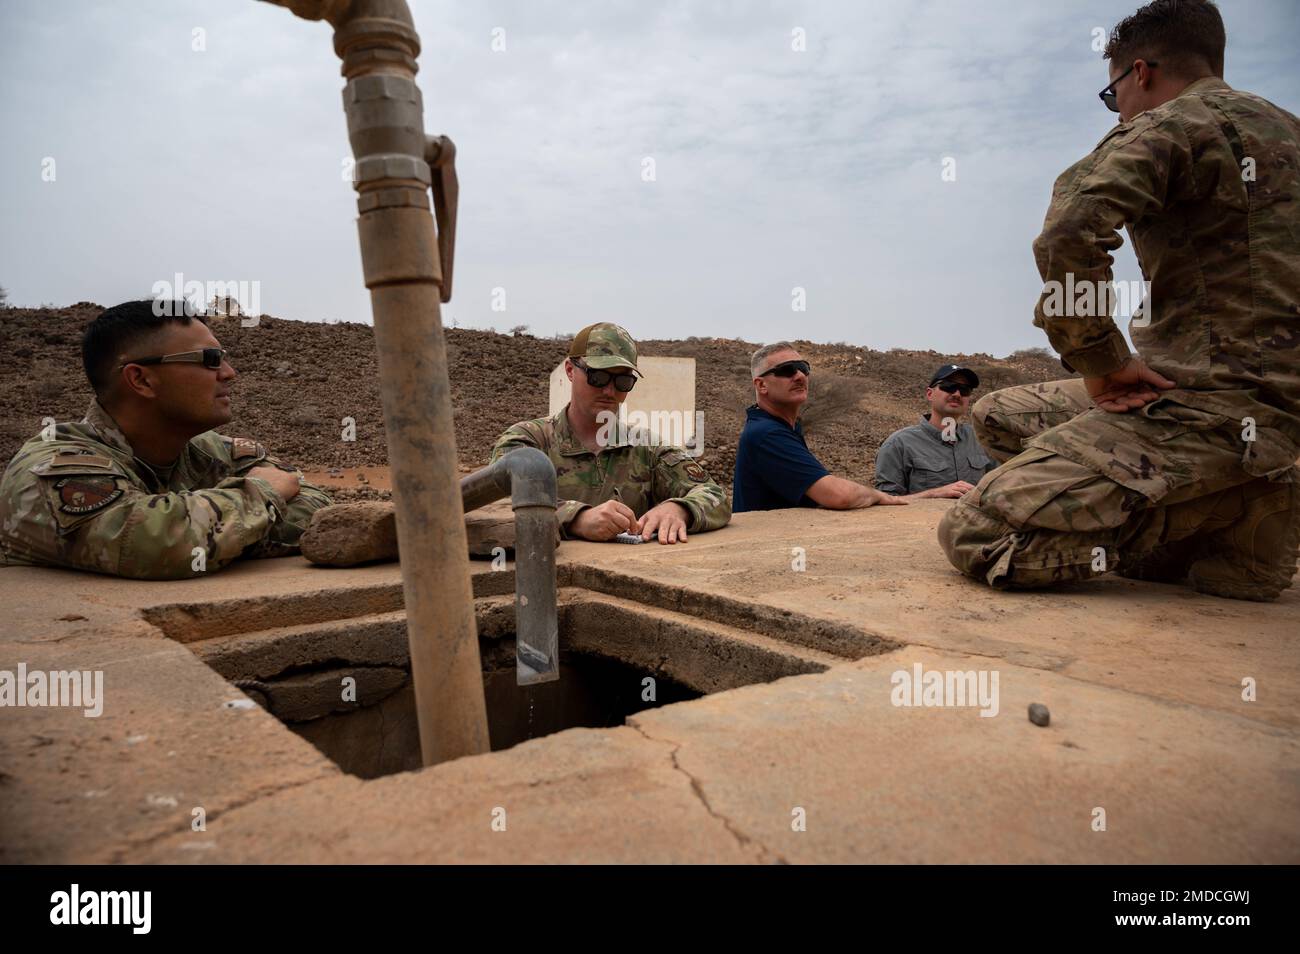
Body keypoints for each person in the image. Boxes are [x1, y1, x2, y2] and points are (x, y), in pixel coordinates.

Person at [939, 0, 1300, 601]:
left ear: (1140, 73)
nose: (1118, 110)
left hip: (1204, 404)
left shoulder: (1175, 124)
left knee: (979, 534)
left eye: (1111, 96)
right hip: (1257, 400)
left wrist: (1102, 362)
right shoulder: (1289, 129)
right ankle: (1236, 519)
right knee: (1000, 414)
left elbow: (1070, 233)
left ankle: (1239, 504)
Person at [0, 300, 332, 579]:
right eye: (210, 360)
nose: (229, 373)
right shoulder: (53, 468)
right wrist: (261, 495)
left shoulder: (210, 451)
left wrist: (217, 532)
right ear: (141, 379)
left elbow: (318, 511)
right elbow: (154, 543)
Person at [489, 322, 730, 544]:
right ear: (571, 370)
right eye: (598, 376)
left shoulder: (644, 447)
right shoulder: (529, 440)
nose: (609, 390)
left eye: (623, 381)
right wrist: (576, 518)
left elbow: (715, 495)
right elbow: (497, 501)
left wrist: (680, 509)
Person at [733, 342, 905, 512]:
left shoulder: (781, 427)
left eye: (803, 368)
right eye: (786, 370)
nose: (800, 376)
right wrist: (879, 495)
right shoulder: (766, 434)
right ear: (761, 385)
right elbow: (839, 495)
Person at [873, 364, 997, 498]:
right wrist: (933, 494)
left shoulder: (982, 439)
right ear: (930, 394)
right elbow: (886, 502)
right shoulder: (898, 444)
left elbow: (999, 489)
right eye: (948, 386)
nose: (957, 394)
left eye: (964, 390)